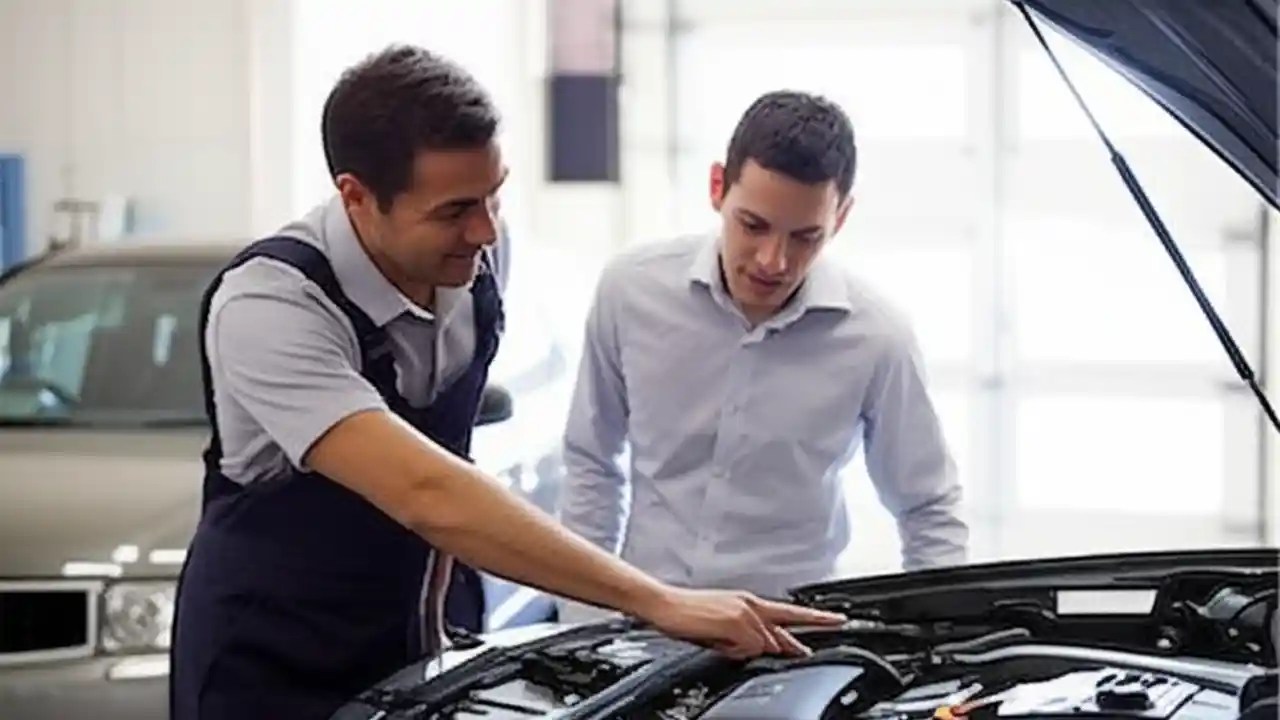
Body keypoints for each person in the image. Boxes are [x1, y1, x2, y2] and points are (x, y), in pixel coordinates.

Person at [169, 47, 842, 720]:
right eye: (456, 209)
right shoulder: (270, 306)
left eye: (495, 194)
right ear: (357, 197)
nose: (486, 229)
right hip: (267, 665)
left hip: (406, 651)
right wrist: (658, 600)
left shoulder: (481, 256)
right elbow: (425, 491)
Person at [557, 89, 969, 611]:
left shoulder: (878, 337)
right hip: (645, 627)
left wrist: (938, 639)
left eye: (805, 237)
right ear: (716, 189)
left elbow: (928, 506)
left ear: (840, 218)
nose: (773, 260)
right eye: (753, 225)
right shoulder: (629, 290)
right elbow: (592, 464)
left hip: (790, 638)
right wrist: (584, 625)